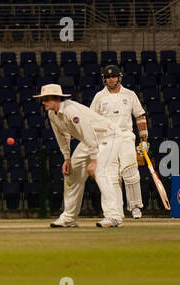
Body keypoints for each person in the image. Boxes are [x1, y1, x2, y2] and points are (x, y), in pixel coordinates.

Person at [36, 83, 122, 228]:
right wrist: (67, 158)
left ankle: (114, 217)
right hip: (89, 140)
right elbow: (62, 137)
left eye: (46, 99)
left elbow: (88, 131)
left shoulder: (71, 111)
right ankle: (69, 218)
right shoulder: (52, 114)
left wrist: (94, 160)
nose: (43, 102)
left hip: (108, 135)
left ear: (56, 98)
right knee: (72, 174)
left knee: (100, 172)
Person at [89, 64, 149, 220]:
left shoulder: (129, 94)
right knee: (111, 177)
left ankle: (135, 207)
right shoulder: (99, 97)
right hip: (107, 140)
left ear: (119, 77)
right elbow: (91, 120)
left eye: (113, 76)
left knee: (130, 172)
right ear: (104, 79)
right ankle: (116, 210)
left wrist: (144, 140)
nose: (111, 79)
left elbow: (140, 116)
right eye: (108, 77)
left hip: (125, 137)